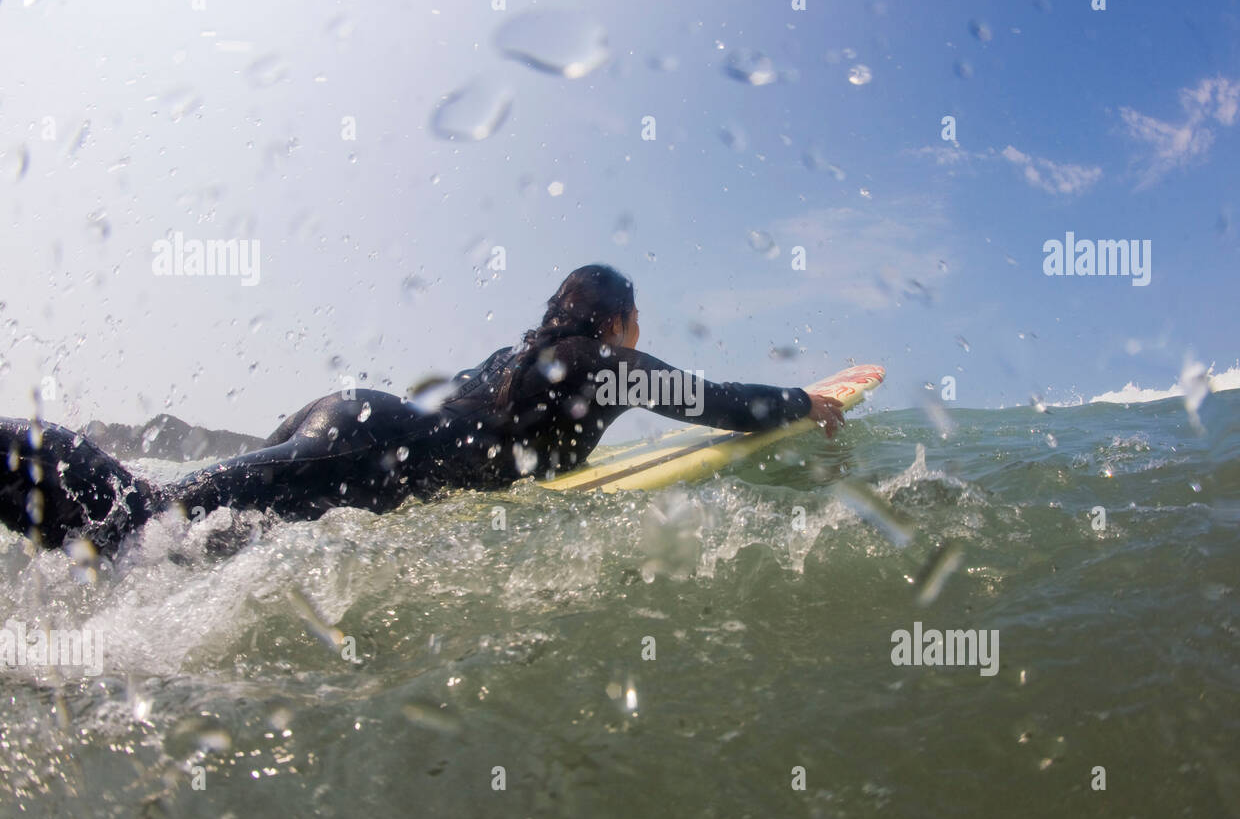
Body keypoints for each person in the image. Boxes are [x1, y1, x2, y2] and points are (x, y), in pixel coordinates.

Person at [0, 264, 844, 556]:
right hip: (366, 459)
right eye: (636, 321)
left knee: (201, 537)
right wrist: (809, 399)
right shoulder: (604, 364)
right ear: (617, 320)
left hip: (347, 418)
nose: (639, 335)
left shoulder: (524, 357)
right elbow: (714, 401)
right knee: (144, 522)